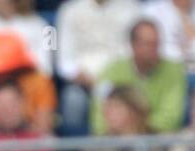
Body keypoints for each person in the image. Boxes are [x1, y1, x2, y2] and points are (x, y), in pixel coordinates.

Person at [55, 0, 141, 135]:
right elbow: (63, 61)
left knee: (132, 97)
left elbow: (132, 52)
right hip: (82, 83)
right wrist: (85, 78)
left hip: (121, 81)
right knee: (73, 99)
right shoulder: (69, 10)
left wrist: (109, 80)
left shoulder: (131, 8)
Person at [92, 19, 188, 134]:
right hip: (113, 142)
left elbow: (171, 117)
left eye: (157, 44)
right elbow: (99, 117)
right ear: (133, 45)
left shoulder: (174, 71)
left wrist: (136, 130)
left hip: (156, 140)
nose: (154, 50)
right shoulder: (111, 71)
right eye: (148, 44)